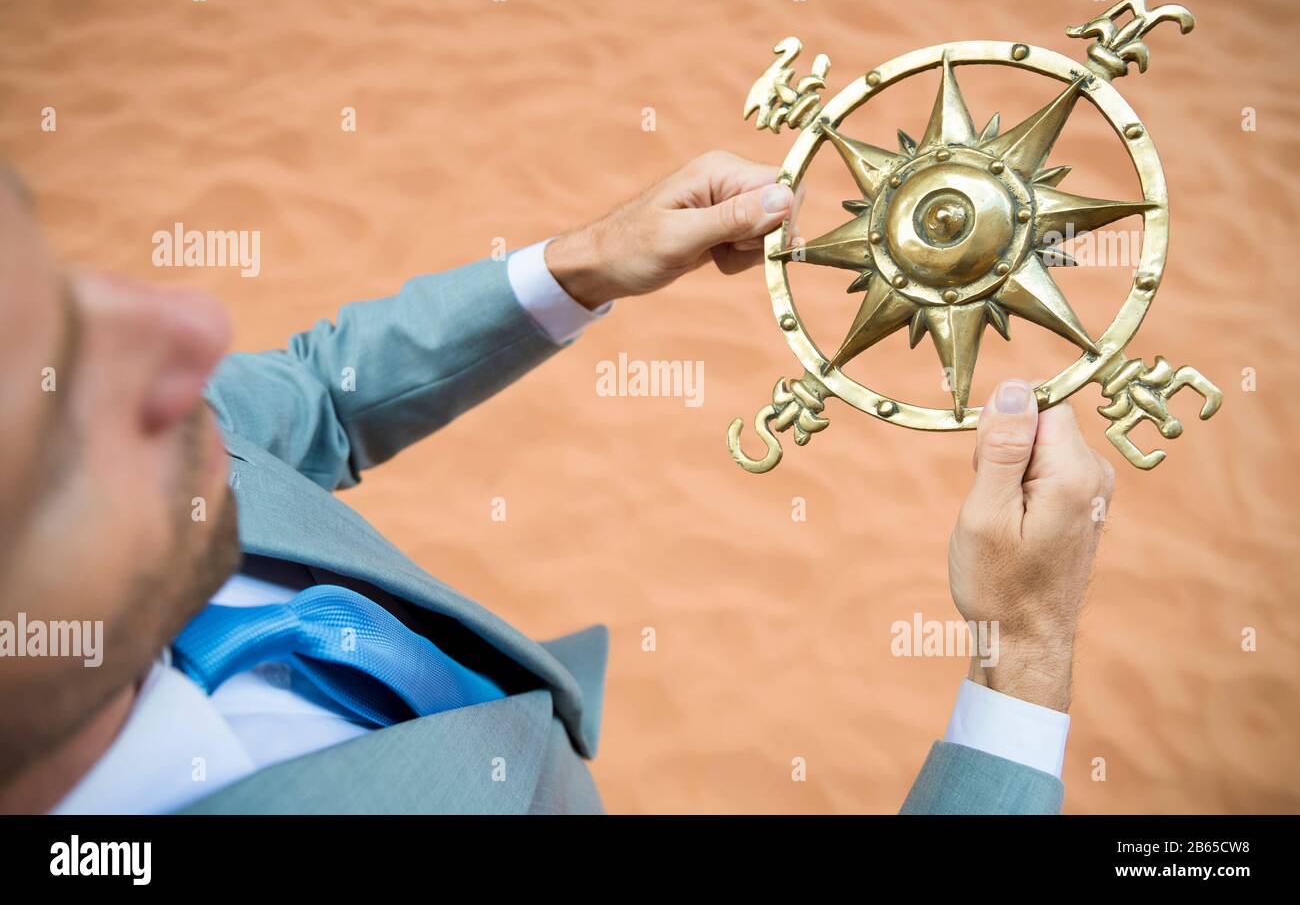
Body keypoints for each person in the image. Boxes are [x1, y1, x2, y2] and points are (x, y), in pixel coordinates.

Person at [0, 150, 1113, 814]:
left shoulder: (148, 454)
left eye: (65, 291)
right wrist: (1019, 651)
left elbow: (315, 399)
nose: (192, 334)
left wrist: (579, 264)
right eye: (57, 417)